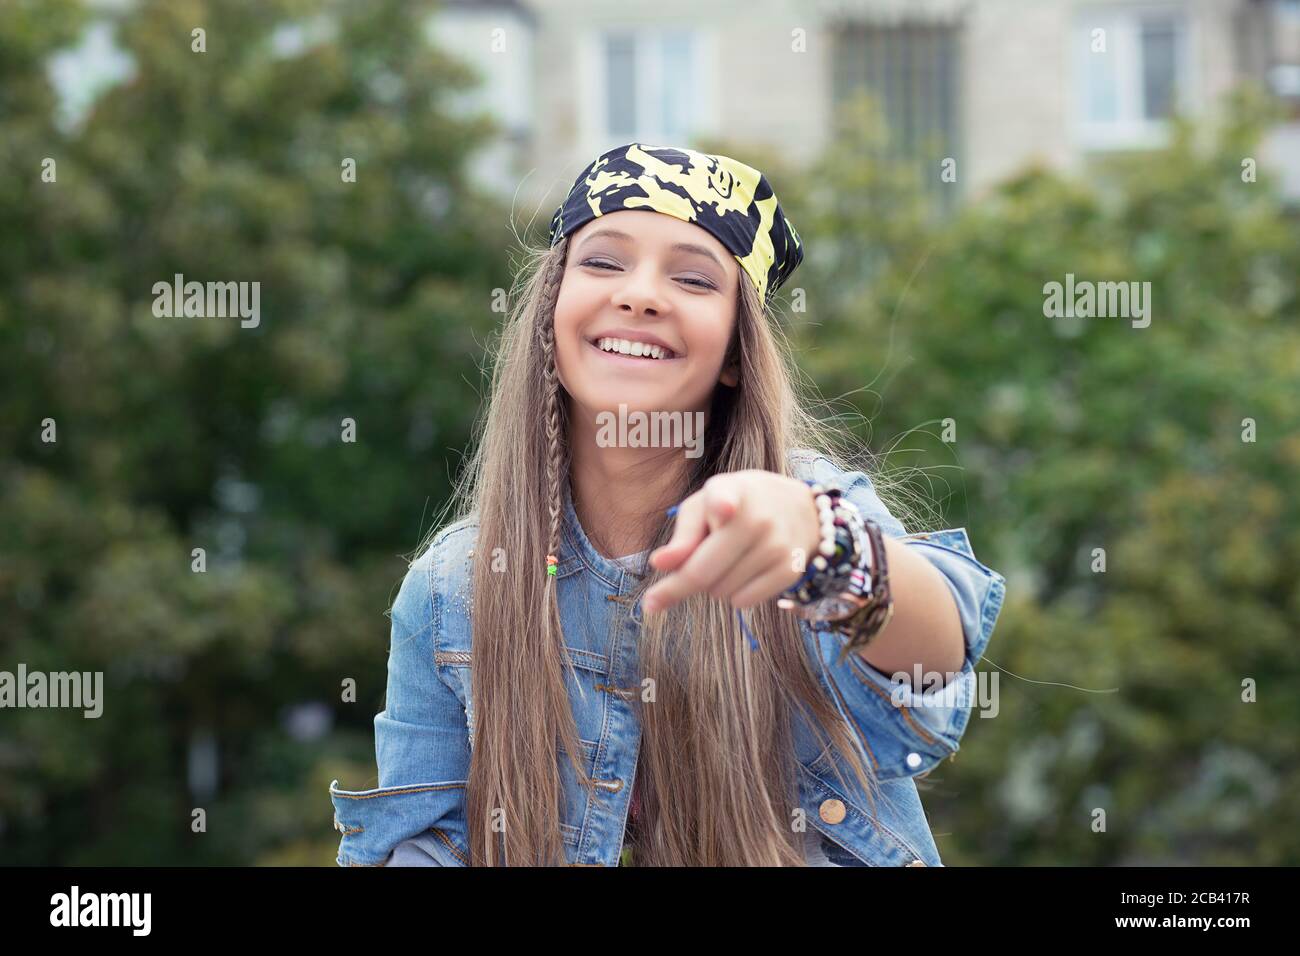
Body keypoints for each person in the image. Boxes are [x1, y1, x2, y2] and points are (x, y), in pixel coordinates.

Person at [329, 142, 1006, 866]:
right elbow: (422, 846)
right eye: (603, 262)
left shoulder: (804, 508)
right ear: (550, 318)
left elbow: (936, 661)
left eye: (692, 277)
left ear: (737, 354)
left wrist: (823, 546)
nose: (642, 293)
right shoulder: (449, 587)